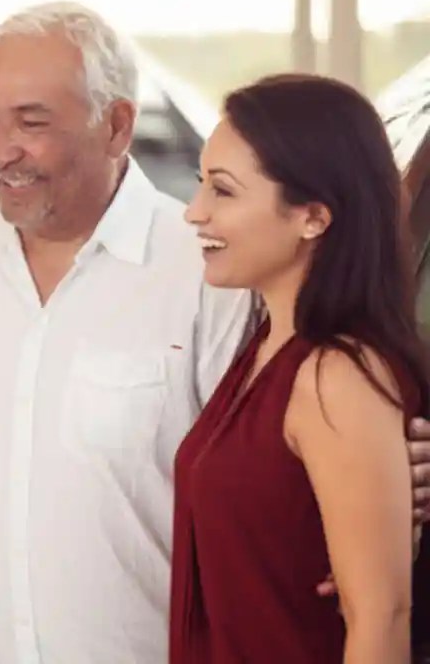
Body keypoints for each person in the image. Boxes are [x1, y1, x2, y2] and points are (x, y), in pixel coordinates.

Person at [0, 1, 430, 663]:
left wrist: (384, 482)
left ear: (117, 125)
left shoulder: (216, 284)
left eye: (32, 121)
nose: (0, 149)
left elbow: (366, 589)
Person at [170, 73, 426, 663]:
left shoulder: (334, 377)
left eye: (223, 191)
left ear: (312, 217)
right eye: (201, 184)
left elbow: (381, 621)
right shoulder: (262, 347)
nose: (194, 212)